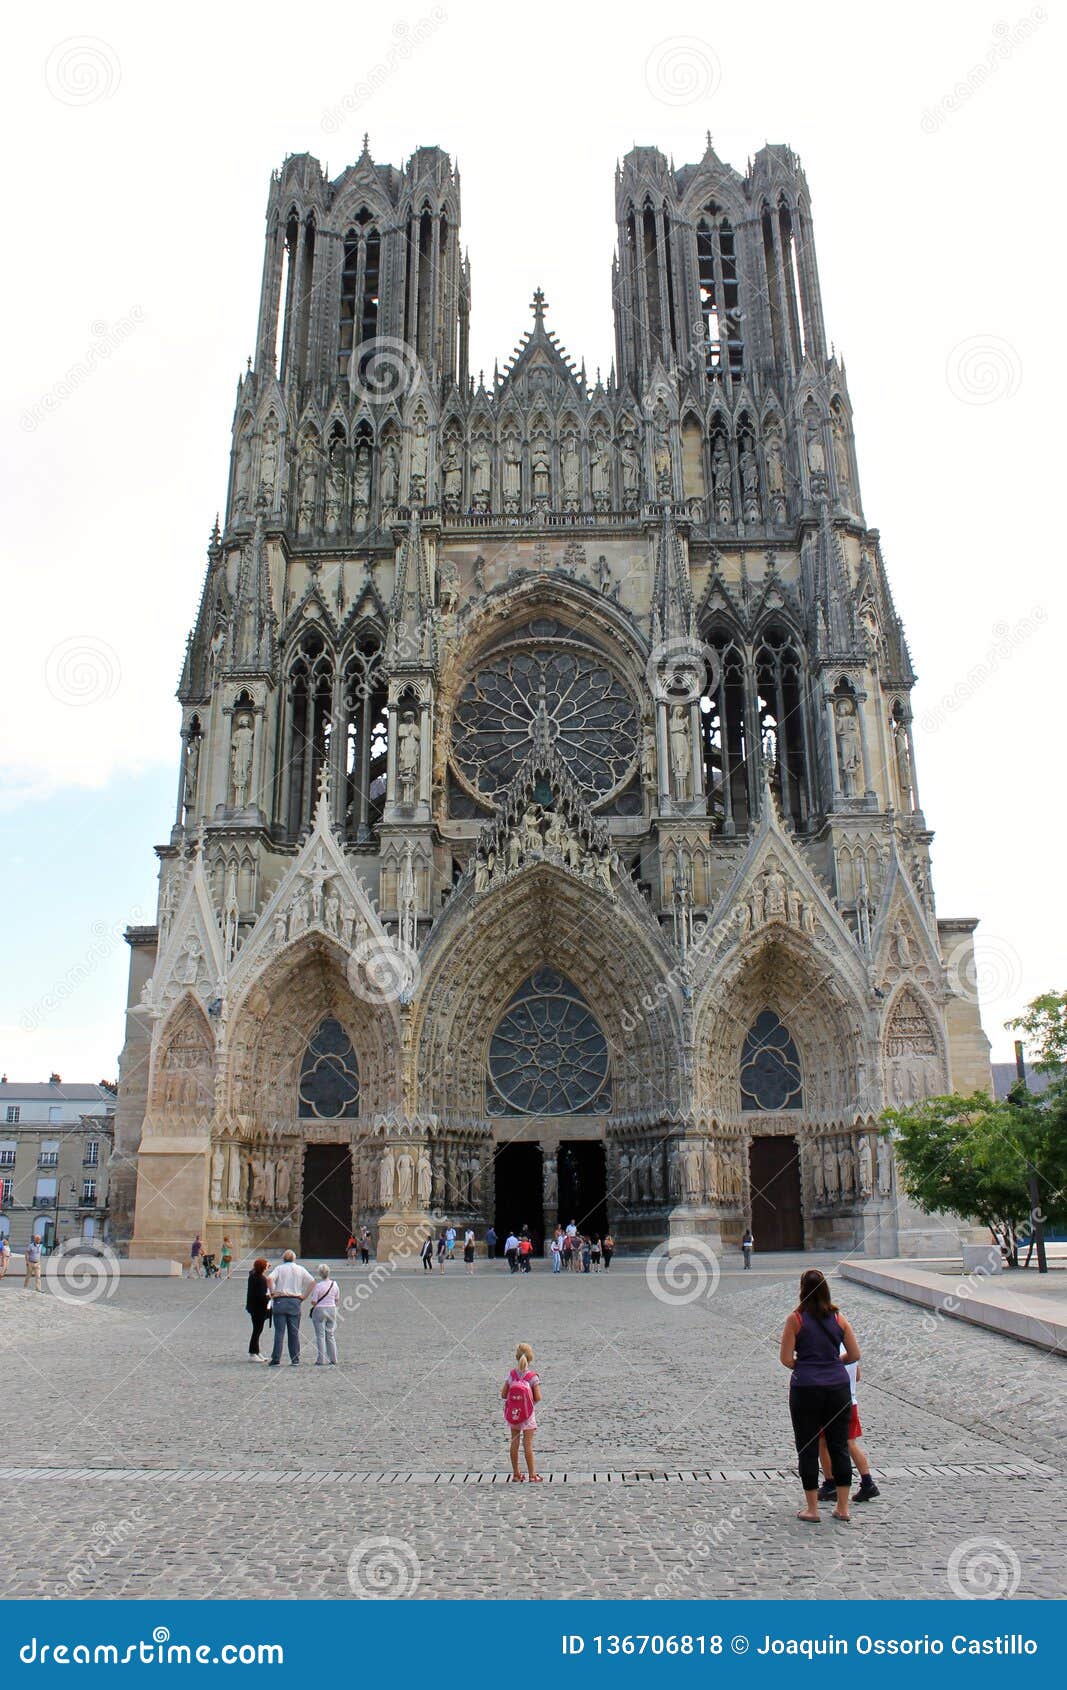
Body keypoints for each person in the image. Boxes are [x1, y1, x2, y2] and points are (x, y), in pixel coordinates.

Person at [780, 1268, 860, 1523]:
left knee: (808, 1447)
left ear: (802, 1290)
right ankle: (843, 1508)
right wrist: (833, 1362)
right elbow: (854, 1355)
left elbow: (786, 1359)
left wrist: (806, 1366)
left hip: (806, 1388)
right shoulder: (839, 1318)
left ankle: (812, 1509)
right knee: (839, 1446)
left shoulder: (796, 1319)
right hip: (838, 1387)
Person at [818, 1356, 880, 1503]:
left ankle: (830, 1484)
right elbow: (857, 1377)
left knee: (823, 1442)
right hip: (851, 1402)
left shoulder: (829, 1349)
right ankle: (867, 1482)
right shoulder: (850, 1350)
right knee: (850, 1443)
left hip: (831, 1402)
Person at [501, 1341, 542, 1483]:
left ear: (516, 1357)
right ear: (530, 1358)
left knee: (514, 1442)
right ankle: (532, 1475)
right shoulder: (532, 1377)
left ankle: (516, 1474)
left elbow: (503, 1394)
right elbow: (538, 1397)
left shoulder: (511, 1375)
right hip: (528, 1415)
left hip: (514, 1414)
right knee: (528, 1444)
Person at [267, 1250, 314, 1366]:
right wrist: (304, 1296)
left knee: (279, 1332)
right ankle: (295, 1359)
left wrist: (272, 1293)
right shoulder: (300, 1269)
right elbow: (312, 1282)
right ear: (294, 1258)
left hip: (280, 1301)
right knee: (294, 1332)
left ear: (283, 1258)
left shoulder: (279, 1268)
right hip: (294, 1301)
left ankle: (276, 1358)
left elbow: (269, 1279)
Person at [309, 1265, 340, 1366]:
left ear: (320, 1273)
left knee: (320, 1336)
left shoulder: (318, 1286)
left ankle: (321, 1359)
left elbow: (314, 1301)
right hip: (332, 1309)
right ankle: (334, 1358)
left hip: (320, 1310)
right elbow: (337, 1298)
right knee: (330, 1335)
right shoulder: (334, 1284)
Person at [245, 1257, 271, 1361]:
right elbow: (262, 1296)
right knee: (257, 1331)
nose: (268, 1267)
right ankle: (253, 1353)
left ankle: (257, 1351)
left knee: (257, 1330)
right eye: (267, 1265)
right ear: (263, 1267)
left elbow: (253, 1270)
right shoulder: (261, 1279)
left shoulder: (253, 1276)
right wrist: (270, 1296)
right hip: (259, 1308)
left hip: (253, 1307)